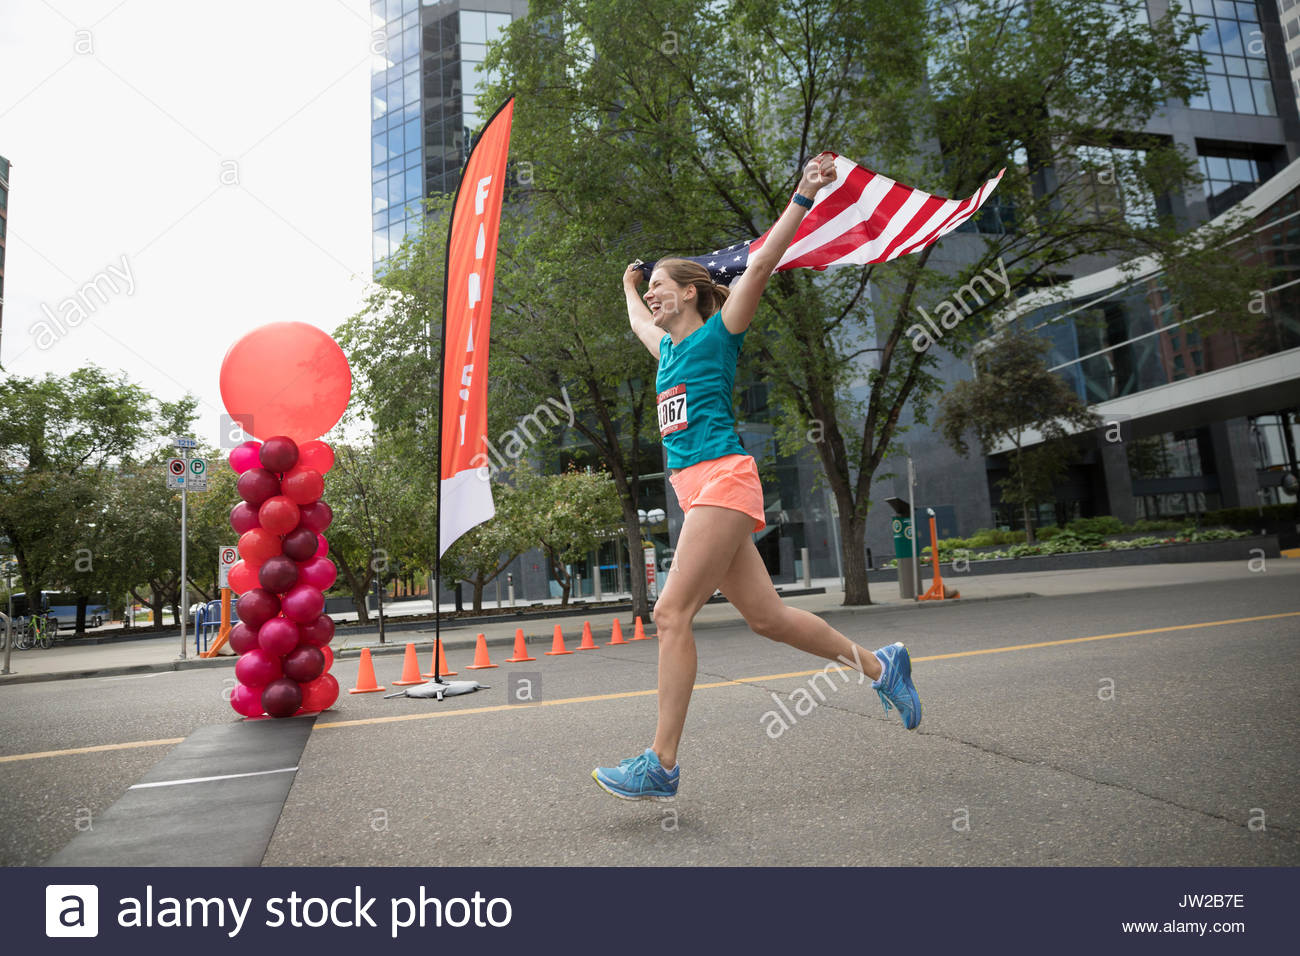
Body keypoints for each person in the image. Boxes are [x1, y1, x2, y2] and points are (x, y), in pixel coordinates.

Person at [592, 152, 922, 802]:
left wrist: (802, 195)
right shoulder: (666, 352)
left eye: (663, 285)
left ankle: (661, 763)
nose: (654, 295)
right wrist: (629, 282)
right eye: (651, 288)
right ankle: (883, 668)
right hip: (703, 498)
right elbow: (635, 318)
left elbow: (764, 263)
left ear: (690, 291)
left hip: (723, 482)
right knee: (768, 619)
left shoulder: (719, 333)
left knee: (670, 613)